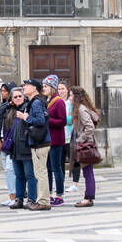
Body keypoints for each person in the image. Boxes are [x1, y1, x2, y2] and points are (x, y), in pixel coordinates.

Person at [18, 80, 51, 211]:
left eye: (26, 86)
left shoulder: (36, 102)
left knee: (40, 172)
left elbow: (40, 120)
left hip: (40, 142)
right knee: (40, 172)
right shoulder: (36, 101)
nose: (24, 88)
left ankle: (43, 201)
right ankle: (42, 199)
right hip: (38, 142)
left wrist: (25, 117)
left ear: (34, 88)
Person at [69, 86, 101, 207]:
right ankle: (88, 197)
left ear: (76, 97)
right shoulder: (80, 108)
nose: (69, 98)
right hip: (84, 144)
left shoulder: (81, 109)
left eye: (71, 95)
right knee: (88, 172)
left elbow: (90, 127)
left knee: (88, 173)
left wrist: (79, 140)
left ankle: (88, 198)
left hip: (85, 146)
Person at [8, 86, 35, 209]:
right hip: (15, 147)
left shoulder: (28, 108)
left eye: (20, 96)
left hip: (26, 146)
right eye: (15, 97)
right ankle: (19, 199)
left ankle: (32, 199)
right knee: (18, 175)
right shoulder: (10, 110)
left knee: (29, 175)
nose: (18, 98)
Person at [0, 82, 18, 206]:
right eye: (1, 91)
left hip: (10, 143)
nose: (2, 93)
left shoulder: (15, 108)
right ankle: (11, 195)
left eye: (5, 91)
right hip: (1, 141)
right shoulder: (4, 106)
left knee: (10, 169)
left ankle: (15, 196)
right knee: (7, 171)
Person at [45, 75, 68, 206]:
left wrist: (48, 119)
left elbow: (63, 121)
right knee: (47, 168)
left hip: (56, 139)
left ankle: (59, 194)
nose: (44, 88)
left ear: (52, 88)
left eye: (46, 86)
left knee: (56, 167)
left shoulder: (58, 101)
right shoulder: (48, 100)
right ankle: (48, 193)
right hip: (48, 139)